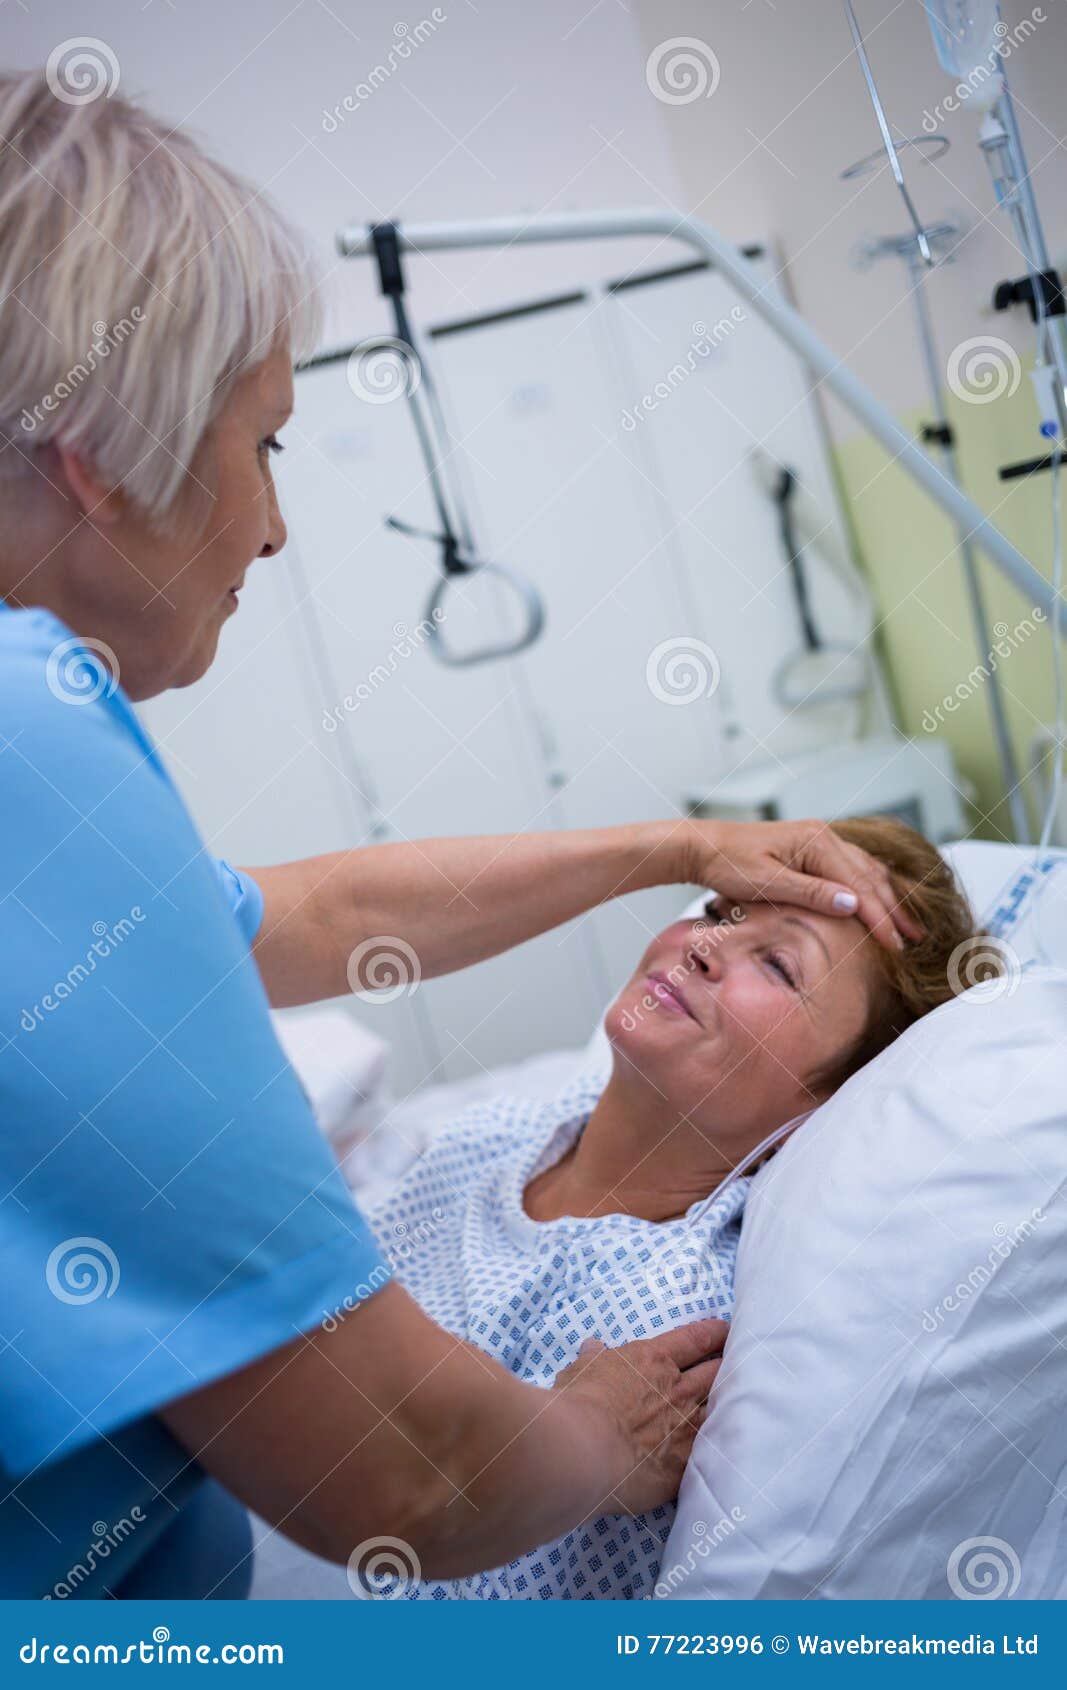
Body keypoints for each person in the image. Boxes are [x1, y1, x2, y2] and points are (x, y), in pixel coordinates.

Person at [0, 72, 918, 1600]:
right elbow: (403, 1467)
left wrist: (668, 841)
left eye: (770, 962)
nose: (275, 526)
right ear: (98, 458)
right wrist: (589, 1432)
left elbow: (297, 917)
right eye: (267, 445)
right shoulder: (31, 736)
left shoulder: (708, 1285)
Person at [359, 818, 986, 1599]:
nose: (704, 944)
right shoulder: (500, 1134)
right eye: (723, 910)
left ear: (834, 1098)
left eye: (780, 965)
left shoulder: (669, 1338)